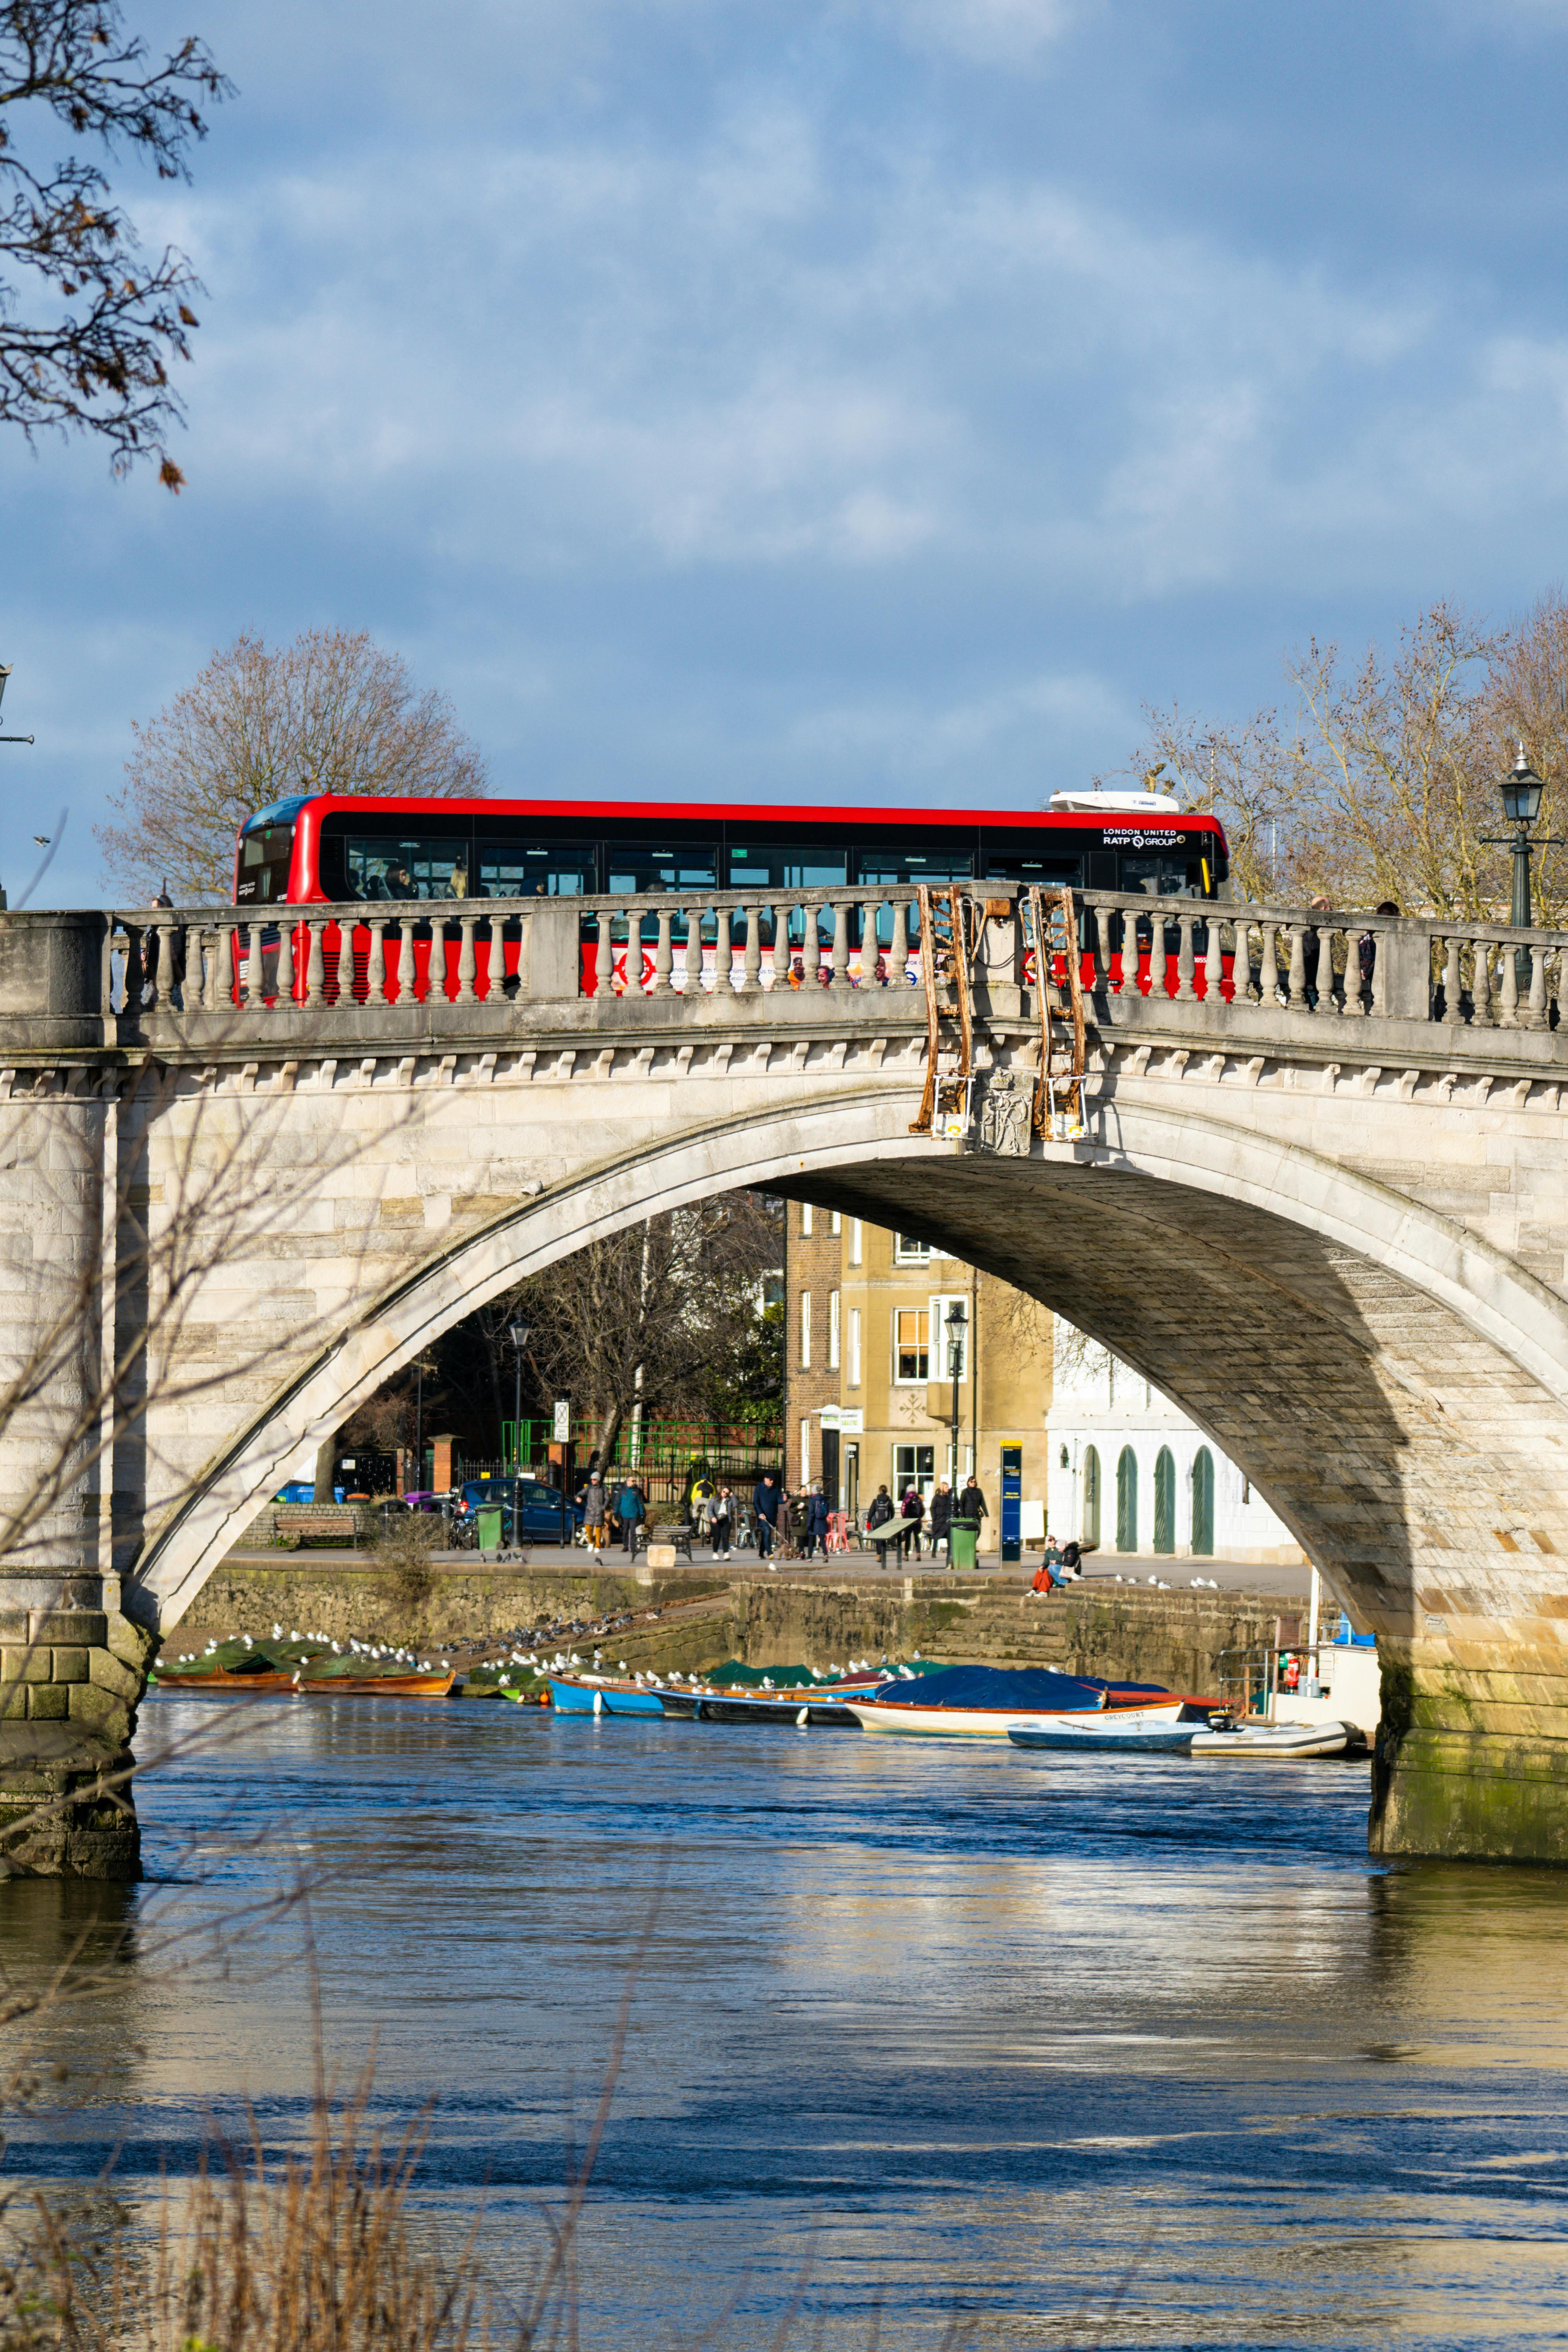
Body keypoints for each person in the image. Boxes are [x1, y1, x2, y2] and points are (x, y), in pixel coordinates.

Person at [752, 1471, 780, 1561]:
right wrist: (760, 1513)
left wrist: (785, 1499)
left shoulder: (775, 1489)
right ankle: (770, 1552)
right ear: (766, 1479)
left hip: (772, 1515)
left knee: (766, 1534)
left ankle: (761, 1553)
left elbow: (779, 1500)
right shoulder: (759, 1488)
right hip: (763, 1516)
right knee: (767, 1532)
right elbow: (756, 1502)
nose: (772, 1482)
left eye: (773, 1480)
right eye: (771, 1480)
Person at [865, 1483, 895, 1567]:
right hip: (886, 1523)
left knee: (878, 1539)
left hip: (877, 1523)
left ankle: (879, 1554)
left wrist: (869, 1522)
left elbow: (871, 1512)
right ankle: (883, 1554)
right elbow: (893, 1512)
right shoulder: (889, 1501)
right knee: (884, 1539)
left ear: (880, 1491)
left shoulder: (876, 1501)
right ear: (886, 1491)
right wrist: (890, 1519)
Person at [581, 1469, 609, 1556]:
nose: (593, 1481)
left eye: (595, 1479)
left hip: (599, 1511)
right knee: (588, 1527)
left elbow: (608, 1498)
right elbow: (581, 1493)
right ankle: (591, 1542)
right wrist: (578, 1497)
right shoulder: (589, 1487)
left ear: (598, 1480)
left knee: (598, 1530)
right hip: (590, 1510)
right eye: (592, 1479)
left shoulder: (604, 1488)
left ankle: (598, 1546)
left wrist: (603, 1507)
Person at [616, 1476, 645, 1557]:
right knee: (625, 1531)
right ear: (628, 1482)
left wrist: (642, 1513)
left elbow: (640, 1503)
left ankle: (632, 1546)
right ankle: (625, 1546)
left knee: (632, 1531)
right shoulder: (622, 1491)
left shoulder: (637, 1491)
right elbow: (618, 1502)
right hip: (625, 1515)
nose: (634, 1482)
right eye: (633, 1481)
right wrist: (616, 1513)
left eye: (634, 1481)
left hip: (634, 1514)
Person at [928, 1479, 954, 1565]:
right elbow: (933, 1508)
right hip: (939, 1520)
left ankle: (949, 1552)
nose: (948, 1488)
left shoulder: (949, 1497)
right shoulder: (937, 1498)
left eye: (948, 1487)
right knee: (936, 1535)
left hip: (946, 1520)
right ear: (943, 1488)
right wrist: (934, 1518)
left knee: (948, 1534)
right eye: (946, 1487)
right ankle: (934, 1552)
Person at [804, 1481, 830, 1560]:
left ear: (814, 1491)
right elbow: (828, 1510)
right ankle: (825, 1555)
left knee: (811, 1540)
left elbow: (811, 1512)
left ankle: (810, 1557)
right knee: (822, 1540)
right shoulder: (824, 1498)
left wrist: (809, 1523)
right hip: (823, 1521)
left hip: (814, 1522)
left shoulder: (813, 1499)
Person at [899, 1482, 925, 1560]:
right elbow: (923, 1510)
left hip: (909, 1521)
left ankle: (906, 1555)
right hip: (917, 1521)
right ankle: (918, 1554)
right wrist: (920, 1517)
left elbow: (903, 1510)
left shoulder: (907, 1499)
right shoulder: (919, 1499)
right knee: (917, 1538)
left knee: (908, 1539)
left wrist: (905, 1518)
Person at [710, 1485, 735, 1561]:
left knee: (725, 1537)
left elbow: (736, 1505)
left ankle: (726, 1553)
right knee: (717, 1538)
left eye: (727, 1493)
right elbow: (710, 1510)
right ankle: (715, 1553)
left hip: (726, 1519)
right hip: (716, 1519)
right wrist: (713, 1517)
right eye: (724, 1492)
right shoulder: (715, 1498)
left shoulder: (730, 1499)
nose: (725, 1494)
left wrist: (733, 1496)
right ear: (721, 1491)